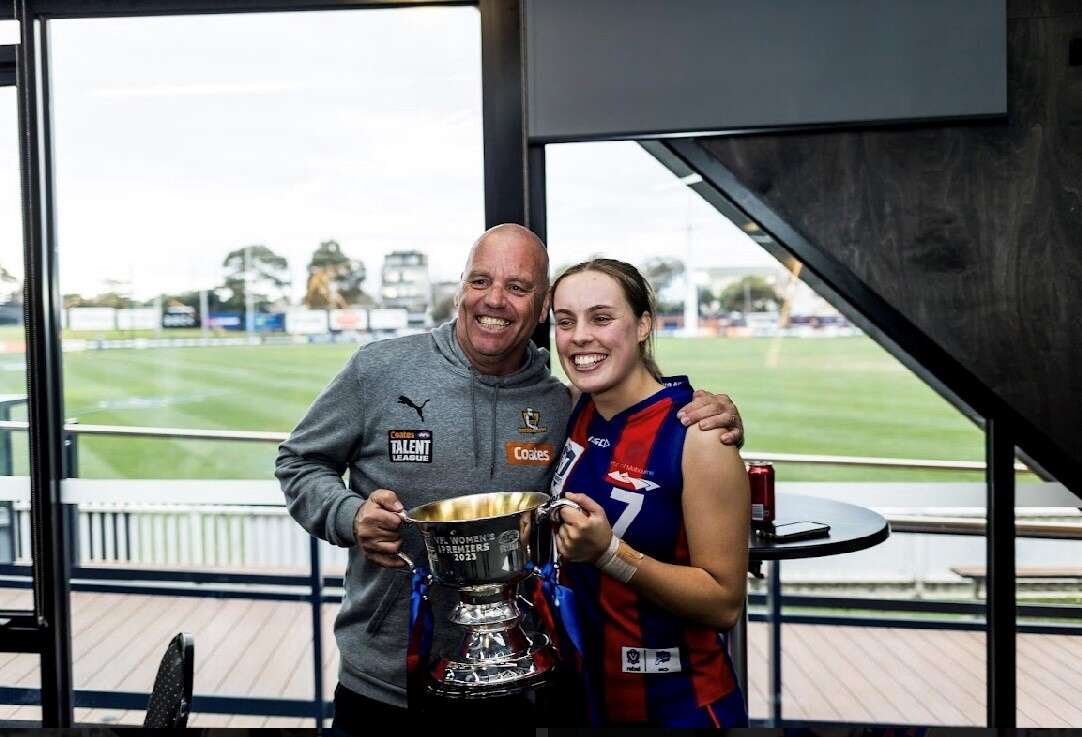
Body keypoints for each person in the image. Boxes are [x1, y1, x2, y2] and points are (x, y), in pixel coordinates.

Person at [274, 224, 745, 732]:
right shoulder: (380, 370)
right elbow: (298, 462)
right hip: (386, 684)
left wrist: (714, 415)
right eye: (480, 281)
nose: (494, 300)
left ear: (539, 308)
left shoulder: (562, 402)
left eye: (517, 288)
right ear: (460, 287)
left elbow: (647, 416)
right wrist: (348, 514)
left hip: (518, 683)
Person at [548, 258, 750, 728]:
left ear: (642, 325)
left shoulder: (698, 434)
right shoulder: (578, 409)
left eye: (601, 318)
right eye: (565, 321)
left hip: (679, 706)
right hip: (585, 698)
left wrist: (610, 553)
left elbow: (724, 603)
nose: (580, 336)